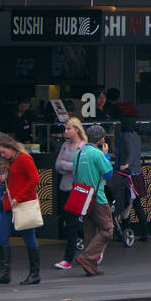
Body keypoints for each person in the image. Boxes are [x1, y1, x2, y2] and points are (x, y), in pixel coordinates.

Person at [0, 135, 41, 285]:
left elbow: (35, 179)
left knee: (29, 238)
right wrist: (6, 178)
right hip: (11, 205)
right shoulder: (13, 160)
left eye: (3, 152)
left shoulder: (24, 158)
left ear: (11, 148)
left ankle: (34, 273)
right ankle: (5, 273)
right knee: (2, 236)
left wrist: (18, 197)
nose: (1, 155)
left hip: (21, 204)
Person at [73, 124, 116, 276]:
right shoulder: (97, 153)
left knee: (89, 233)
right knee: (107, 229)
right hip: (97, 197)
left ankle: (91, 266)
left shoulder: (78, 153)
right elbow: (109, 173)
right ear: (101, 139)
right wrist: (105, 154)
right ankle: (86, 257)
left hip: (82, 198)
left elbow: (74, 177)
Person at [53, 117, 88, 270]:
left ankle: (68, 258)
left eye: (68, 128)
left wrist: (68, 166)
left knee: (73, 222)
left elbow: (80, 167)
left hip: (77, 188)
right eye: (65, 128)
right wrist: (71, 166)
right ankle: (91, 242)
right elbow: (57, 165)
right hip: (64, 187)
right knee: (70, 219)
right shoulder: (65, 145)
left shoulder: (84, 147)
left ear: (77, 129)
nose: (65, 131)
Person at [116, 117, 149, 241]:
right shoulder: (136, 135)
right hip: (137, 172)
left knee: (127, 203)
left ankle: (124, 231)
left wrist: (126, 164)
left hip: (128, 174)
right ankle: (144, 231)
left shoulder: (125, 136)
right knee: (136, 204)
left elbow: (129, 152)